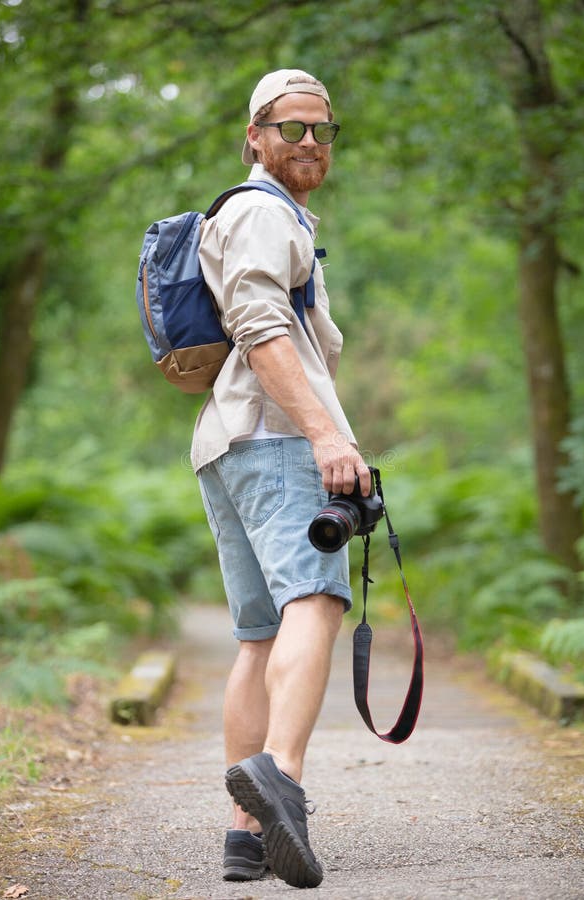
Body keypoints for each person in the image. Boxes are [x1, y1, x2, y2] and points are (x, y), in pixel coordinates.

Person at [191, 68, 370, 889]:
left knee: (260, 634)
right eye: (289, 127)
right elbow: (263, 331)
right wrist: (328, 434)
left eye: (320, 131)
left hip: (231, 445)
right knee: (317, 601)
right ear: (253, 138)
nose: (307, 142)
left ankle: (245, 834)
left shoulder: (267, 214)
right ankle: (281, 781)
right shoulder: (263, 213)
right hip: (274, 441)